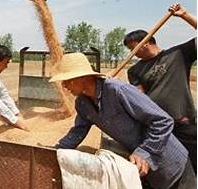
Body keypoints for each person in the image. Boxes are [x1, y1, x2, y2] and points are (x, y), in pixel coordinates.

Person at [51, 52, 195, 189]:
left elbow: (163, 121)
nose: (64, 85)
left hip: (171, 165)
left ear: (83, 78)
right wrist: (53, 152)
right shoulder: (83, 103)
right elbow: (77, 133)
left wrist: (146, 152)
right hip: (142, 171)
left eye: (67, 80)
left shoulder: (118, 90)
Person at [123, 3, 197, 173]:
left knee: (193, 164)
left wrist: (185, 15)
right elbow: (139, 96)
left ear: (147, 42)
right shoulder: (134, 70)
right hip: (157, 127)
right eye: (129, 49)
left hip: (182, 120)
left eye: (132, 47)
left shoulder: (178, 54)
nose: (131, 52)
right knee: (168, 170)